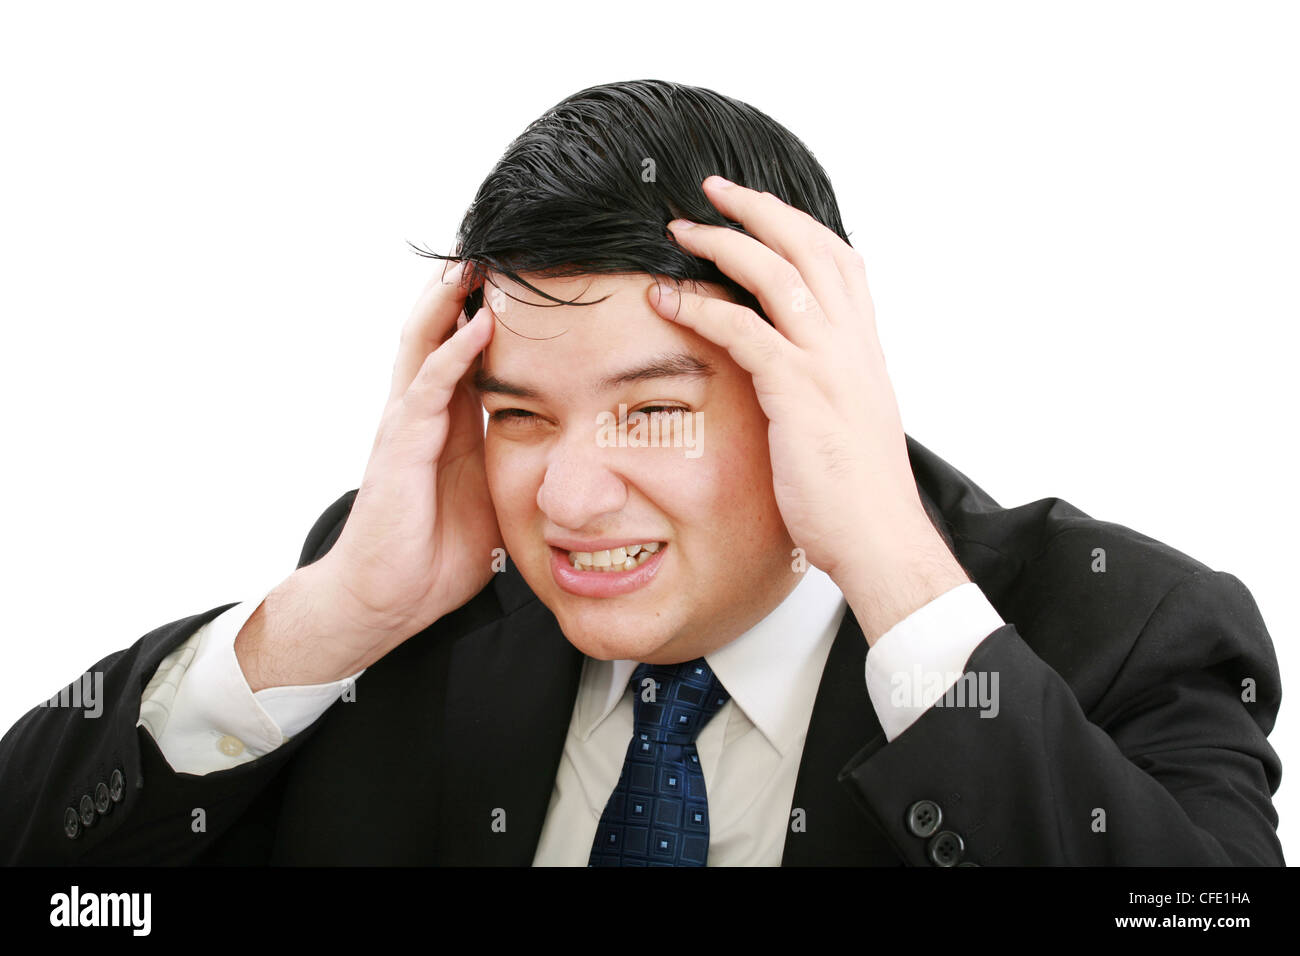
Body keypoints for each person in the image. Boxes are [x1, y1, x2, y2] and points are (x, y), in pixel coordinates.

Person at [0, 79, 1283, 866]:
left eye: (655, 410)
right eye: (518, 415)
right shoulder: (406, 607)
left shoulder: (1122, 627)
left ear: (810, 389)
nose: (565, 499)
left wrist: (896, 577)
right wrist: (338, 616)